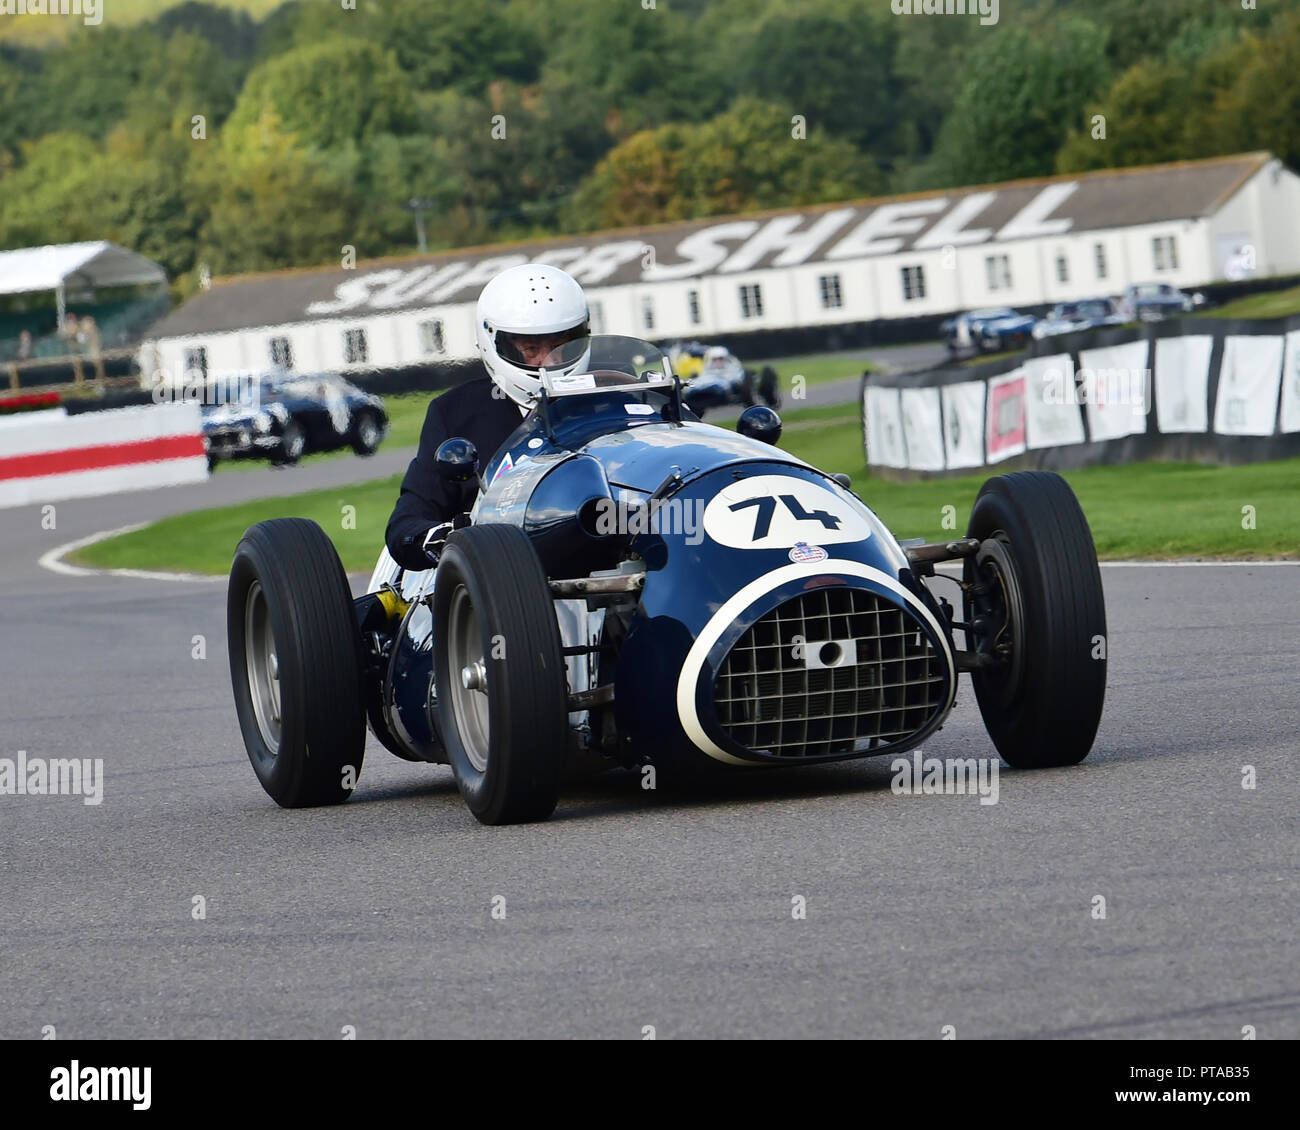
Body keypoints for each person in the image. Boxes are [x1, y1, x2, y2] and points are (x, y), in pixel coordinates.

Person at [385, 264, 592, 571]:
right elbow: (408, 522)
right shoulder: (456, 414)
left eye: (562, 345)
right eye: (531, 348)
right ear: (494, 344)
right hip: (505, 575)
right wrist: (447, 538)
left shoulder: (619, 392)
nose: (550, 360)